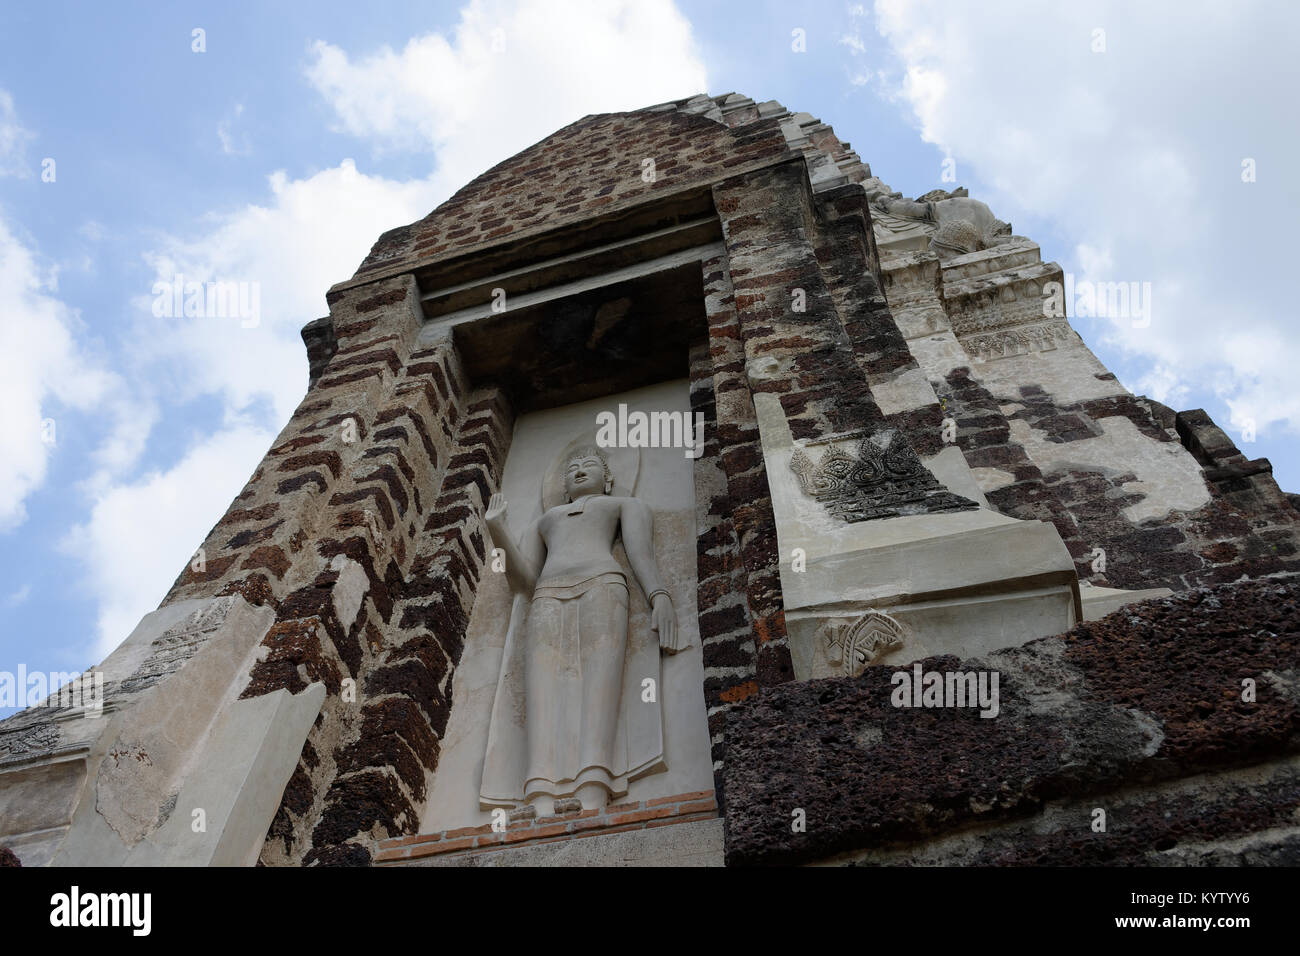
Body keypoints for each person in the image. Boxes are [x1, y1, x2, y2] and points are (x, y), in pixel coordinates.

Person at [483, 446, 679, 813]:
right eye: (571, 468)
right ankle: (539, 793)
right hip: (547, 595)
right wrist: (498, 529)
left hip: (603, 587)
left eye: (589, 465)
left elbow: (641, 555)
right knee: (542, 690)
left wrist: (660, 596)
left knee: (598, 686)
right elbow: (524, 582)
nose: (578, 470)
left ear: (608, 478)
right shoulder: (546, 521)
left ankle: (593, 788)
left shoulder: (622, 506)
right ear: (561, 485)